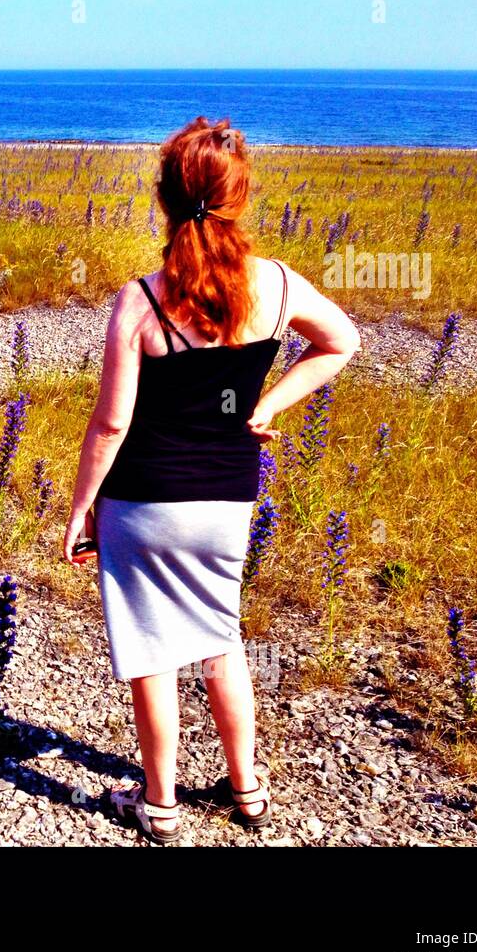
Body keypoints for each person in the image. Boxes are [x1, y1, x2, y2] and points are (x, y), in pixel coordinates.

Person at [62, 116, 360, 843]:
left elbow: (109, 425)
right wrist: (264, 402)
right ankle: (248, 788)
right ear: (240, 197)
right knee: (221, 642)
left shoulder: (143, 300)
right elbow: (342, 342)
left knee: (154, 657)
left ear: (163, 199)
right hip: (228, 497)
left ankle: (158, 803)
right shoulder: (277, 285)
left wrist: (80, 508)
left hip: (141, 501)